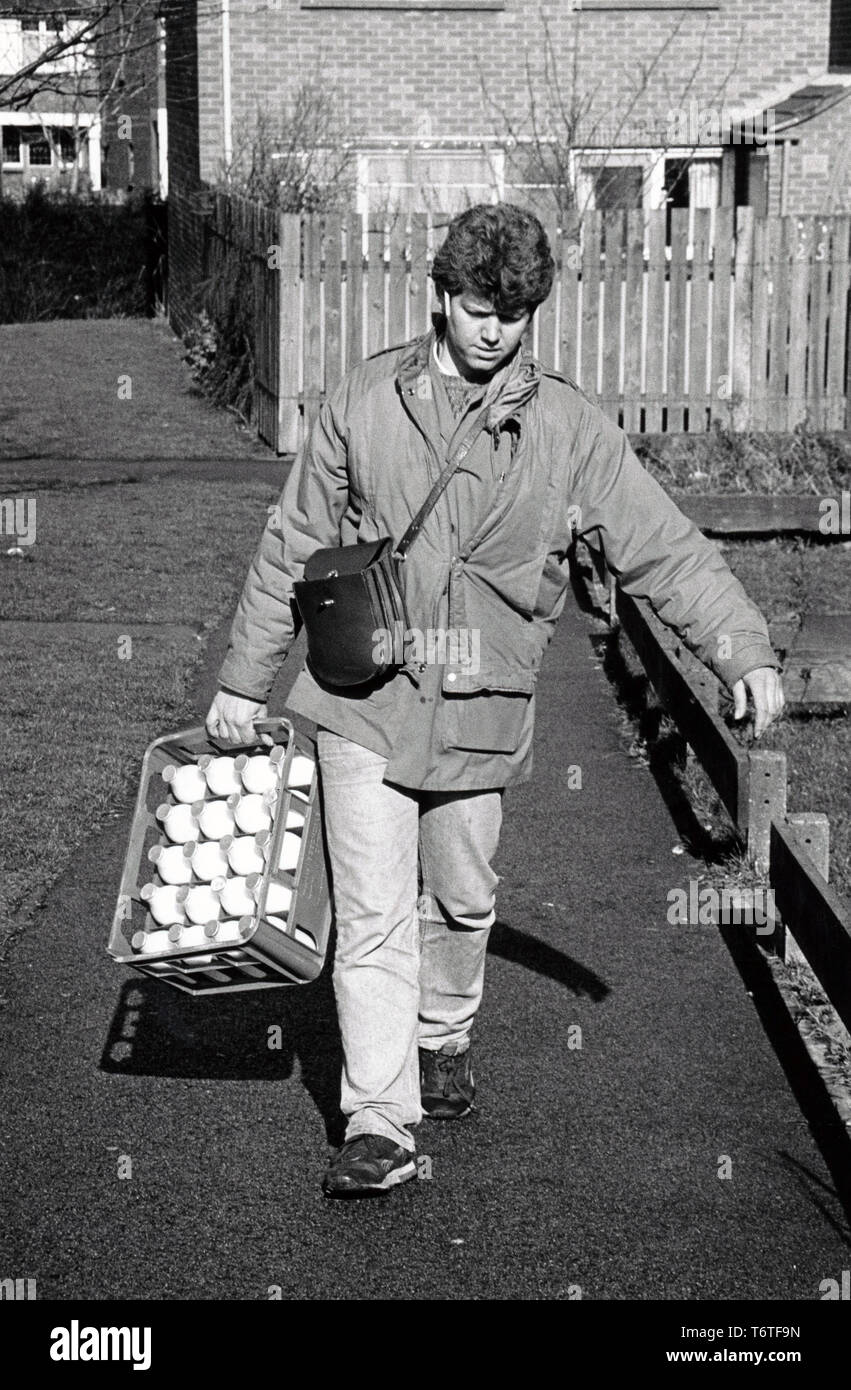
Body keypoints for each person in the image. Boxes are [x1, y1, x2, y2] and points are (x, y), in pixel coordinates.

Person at [205, 203, 785, 1198]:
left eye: (513, 314)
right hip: (363, 696)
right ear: (439, 295)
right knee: (375, 910)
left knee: (463, 894)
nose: (492, 330)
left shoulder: (562, 425)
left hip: (481, 699)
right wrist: (239, 680)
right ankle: (379, 1119)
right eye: (477, 307)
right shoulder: (363, 398)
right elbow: (292, 541)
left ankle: (444, 1032)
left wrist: (737, 648)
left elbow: (657, 540)